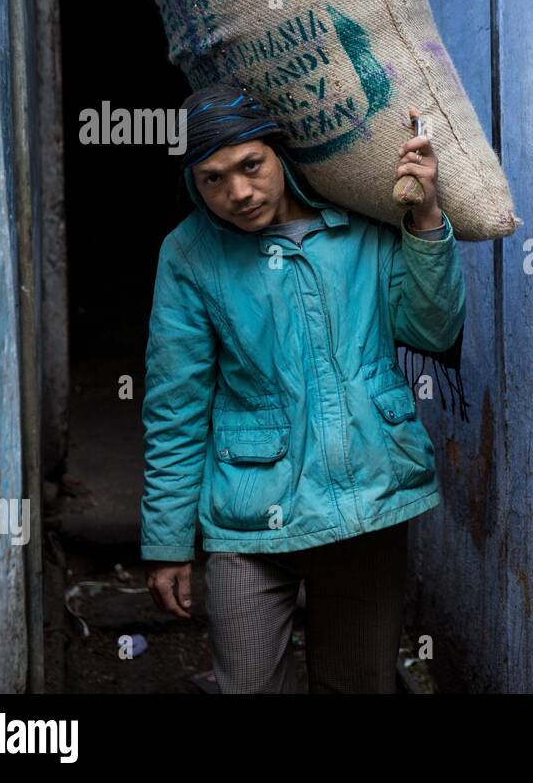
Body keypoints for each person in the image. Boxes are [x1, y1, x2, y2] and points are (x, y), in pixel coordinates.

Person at [140, 83, 465, 693]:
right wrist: (167, 542)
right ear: (192, 185)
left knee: (357, 685)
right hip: (248, 514)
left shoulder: (362, 225)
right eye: (212, 179)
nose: (237, 193)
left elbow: (432, 328)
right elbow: (175, 407)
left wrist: (425, 218)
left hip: (368, 496)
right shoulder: (189, 254)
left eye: (250, 166)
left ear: (280, 156)